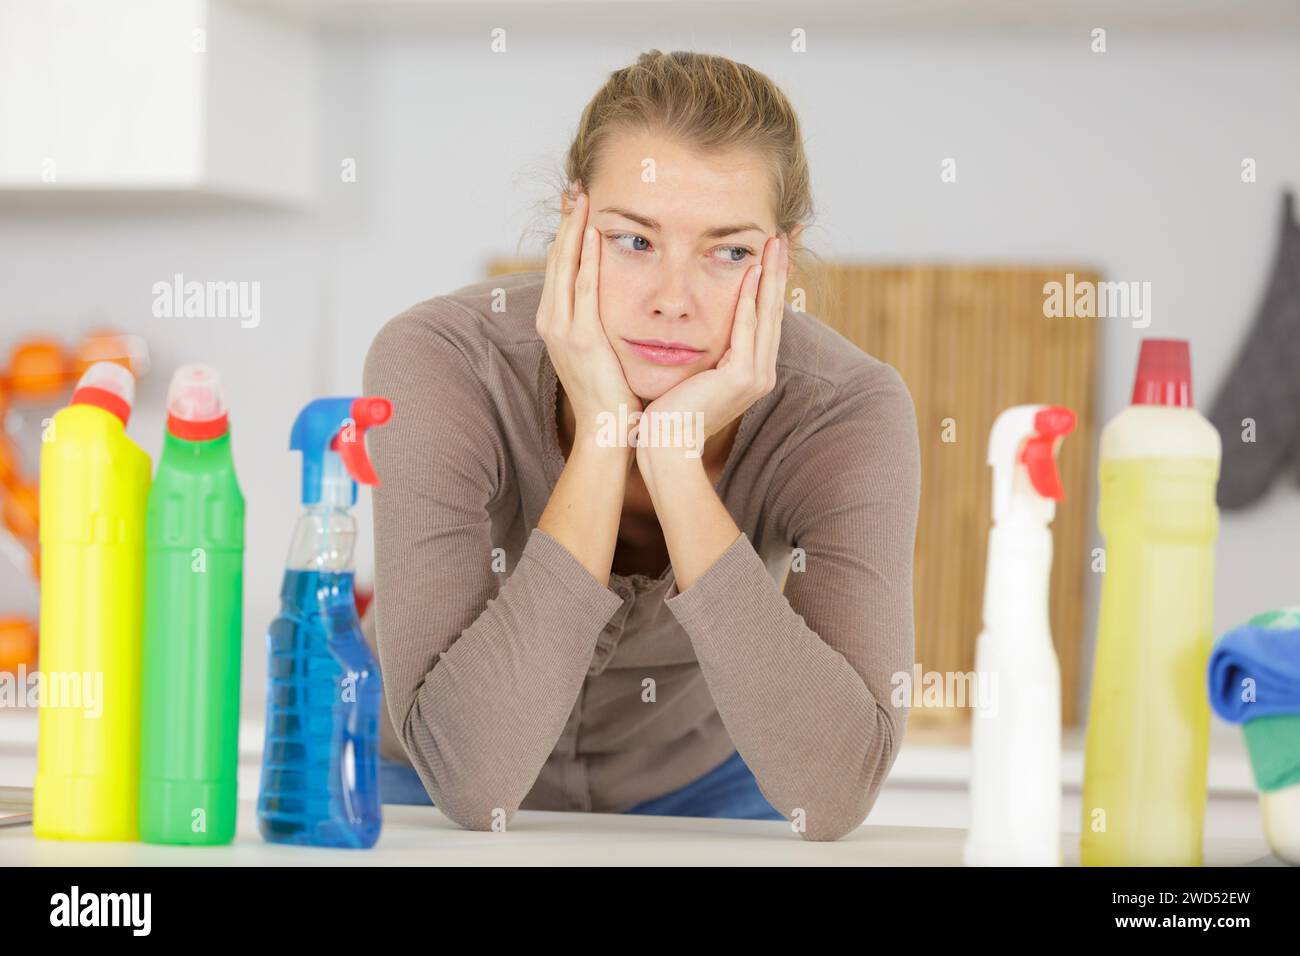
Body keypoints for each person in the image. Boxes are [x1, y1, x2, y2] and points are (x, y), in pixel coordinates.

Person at [359, 49, 920, 842]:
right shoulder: (441, 360)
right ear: (573, 225)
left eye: (730, 253)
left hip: (707, 791)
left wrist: (672, 462)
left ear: (781, 259)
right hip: (417, 773)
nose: (672, 302)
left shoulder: (847, 412)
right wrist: (603, 436)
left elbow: (831, 792)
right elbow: (471, 778)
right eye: (635, 241)